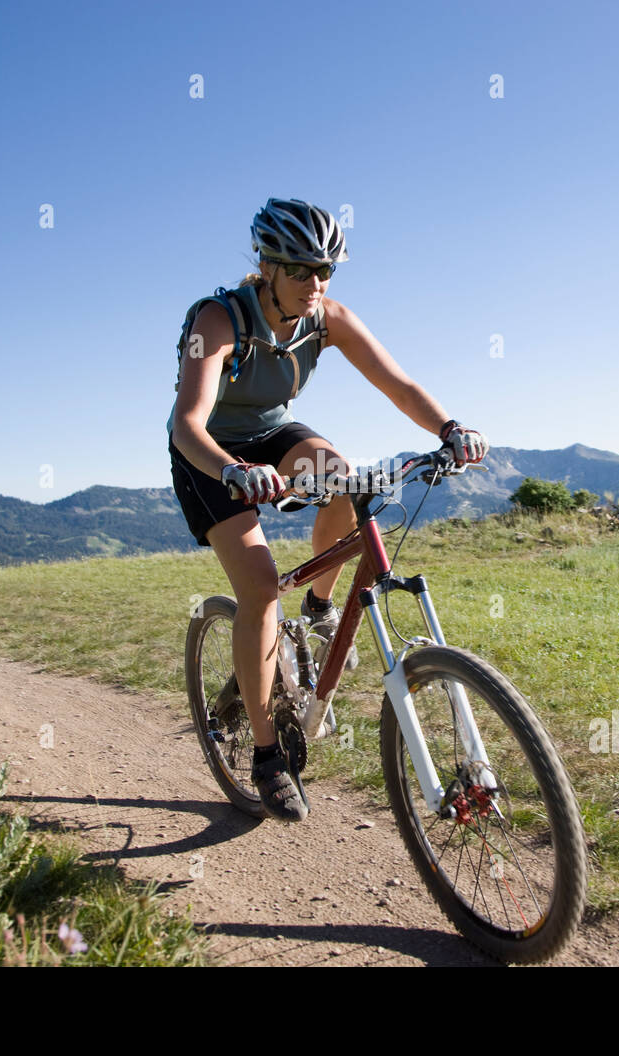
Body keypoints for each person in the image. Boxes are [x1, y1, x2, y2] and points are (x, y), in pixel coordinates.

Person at [168, 198, 488, 821]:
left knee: (348, 480)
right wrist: (233, 470)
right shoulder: (219, 317)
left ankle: (317, 608)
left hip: (272, 436)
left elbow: (398, 384)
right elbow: (187, 422)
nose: (316, 284)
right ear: (267, 266)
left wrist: (449, 428)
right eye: (302, 270)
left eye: (327, 271)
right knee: (260, 589)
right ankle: (266, 757)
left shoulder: (327, 318)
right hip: (211, 455)